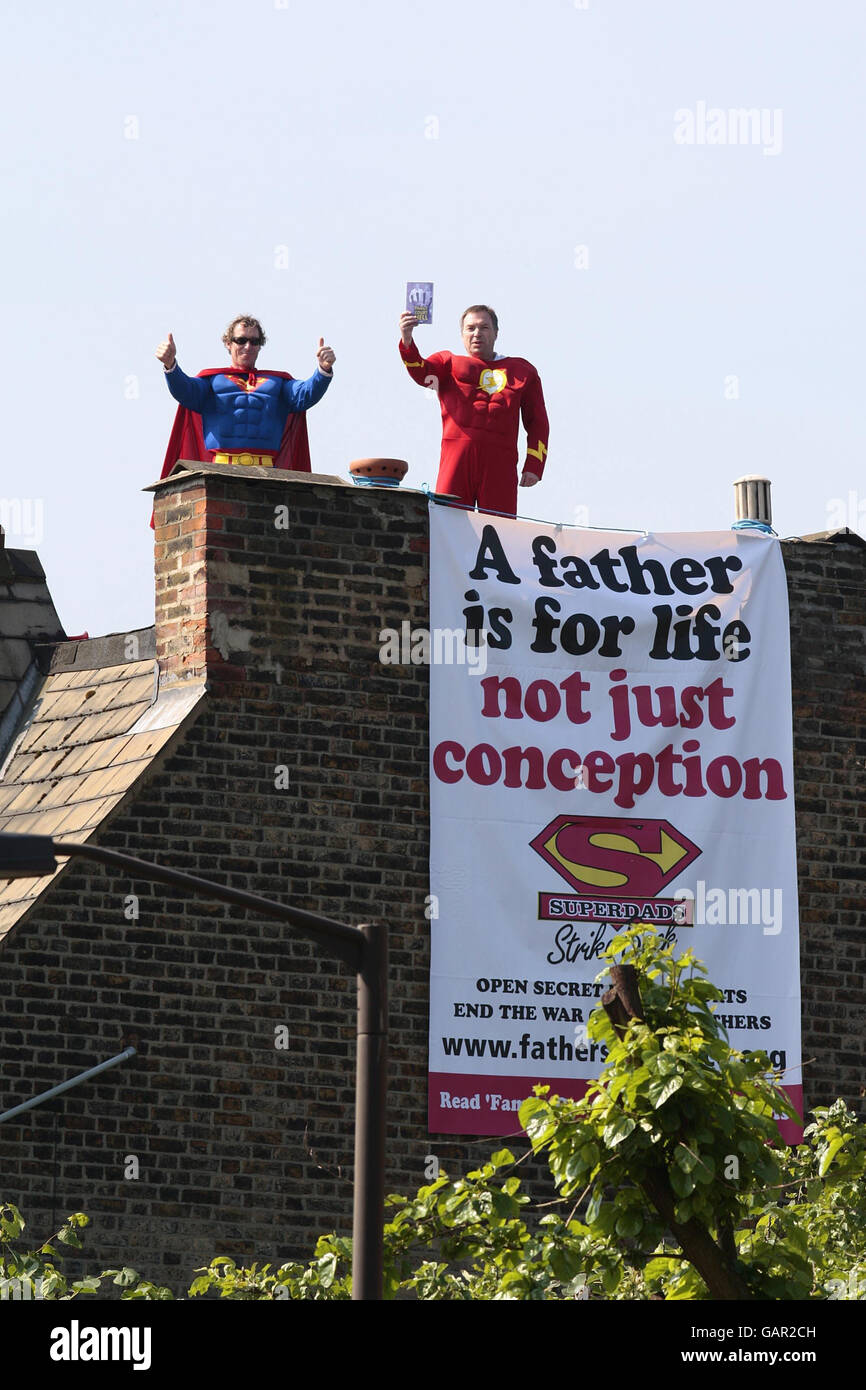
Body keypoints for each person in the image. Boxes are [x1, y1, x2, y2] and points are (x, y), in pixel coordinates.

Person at [398, 304, 549, 516]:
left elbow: (538, 422)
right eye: (470, 328)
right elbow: (421, 372)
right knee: (448, 522)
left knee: (499, 529)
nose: (477, 333)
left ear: (496, 333)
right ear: (462, 335)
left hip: (500, 462)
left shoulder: (523, 371)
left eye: (484, 327)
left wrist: (534, 465)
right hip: (457, 459)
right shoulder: (447, 363)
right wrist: (407, 339)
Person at [155, 315, 336, 482]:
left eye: (254, 341)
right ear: (228, 343)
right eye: (241, 340)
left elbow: (305, 394)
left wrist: (323, 370)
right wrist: (170, 365)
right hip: (221, 469)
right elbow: (185, 391)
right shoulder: (211, 380)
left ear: (260, 345)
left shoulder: (278, 382)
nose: (247, 346)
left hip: (267, 472)